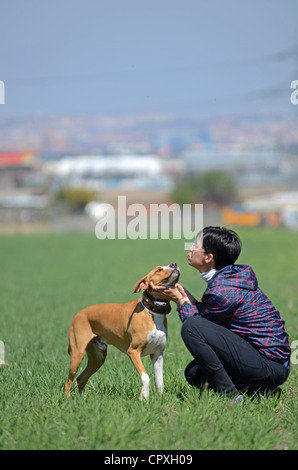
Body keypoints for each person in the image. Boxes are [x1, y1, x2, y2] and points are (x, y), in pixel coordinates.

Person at [149, 226, 291, 399]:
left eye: (195, 246)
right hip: (268, 362)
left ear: (208, 257)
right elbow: (212, 321)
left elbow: (197, 326)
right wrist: (191, 302)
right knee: (194, 373)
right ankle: (260, 393)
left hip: (269, 365)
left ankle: (231, 396)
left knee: (191, 328)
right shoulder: (230, 278)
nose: (190, 249)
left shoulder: (222, 291)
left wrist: (180, 301)